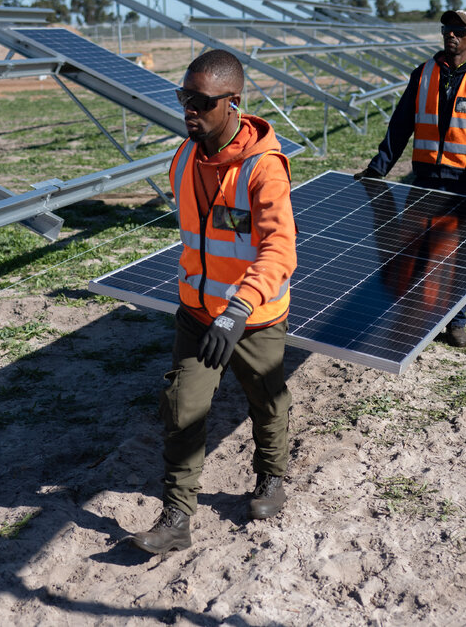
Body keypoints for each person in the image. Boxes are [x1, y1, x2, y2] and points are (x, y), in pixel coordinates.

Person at [129, 50, 297, 554]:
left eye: (200, 101)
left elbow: (280, 248)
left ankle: (270, 478)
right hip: (198, 314)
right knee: (182, 408)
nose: (188, 110)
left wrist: (240, 308)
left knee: (266, 401)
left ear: (233, 103)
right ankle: (177, 515)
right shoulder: (184, 156)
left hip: (255, 318)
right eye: (184, 97)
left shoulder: (262, 169)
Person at [354, 9, 466, 348]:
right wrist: (379, 167)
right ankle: (415, 314)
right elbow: (400, 125)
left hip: (463, 181)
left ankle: (456, 320)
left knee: (461, 255)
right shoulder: (423, 74)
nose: (450, 34)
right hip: (423, 179)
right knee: (414, 249)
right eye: (446, 28)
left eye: (459, 30)